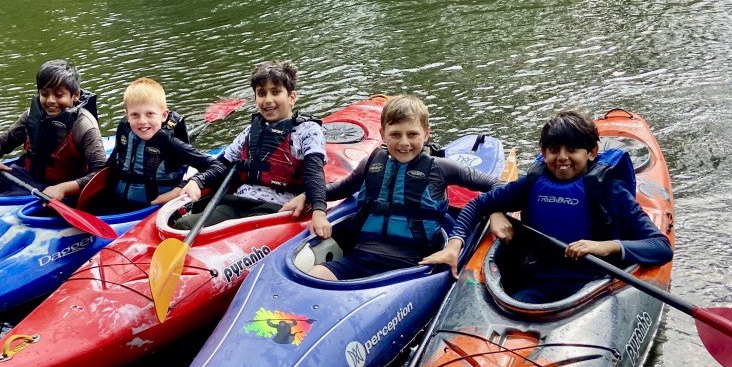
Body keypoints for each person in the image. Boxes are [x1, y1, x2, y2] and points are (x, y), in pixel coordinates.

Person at [437, 108, 673, 304]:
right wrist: (467, 235)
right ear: (543, 152)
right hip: (540, 283)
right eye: (553, 150)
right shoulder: (533, 184)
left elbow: (660, 247)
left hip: (595, 285)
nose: (562, 157)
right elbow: (476, 204)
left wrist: (607, 247)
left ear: (591, 153)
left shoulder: (610, 191)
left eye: (572, 150)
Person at [285, 94, 502, 279]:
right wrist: (309, 197)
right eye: (395, 135)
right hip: (358, 261)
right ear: (382, 134)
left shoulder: (441, 169)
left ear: (426, 133)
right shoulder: (372, 163)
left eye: (412, 134)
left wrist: (496, 212)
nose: (404, 143)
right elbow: (341, 188)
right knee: (314, 276)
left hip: (412, 269)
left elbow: (496, 185)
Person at [177, 60, 331, 239]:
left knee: (236, 241)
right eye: (261, 93)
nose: (268, 100)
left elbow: (314, 172)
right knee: (183, 225)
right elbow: (222, 165)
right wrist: (198, 181)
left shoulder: (308, 130)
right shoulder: (250, 132)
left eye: (276, 92)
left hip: (276, 212)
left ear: (292, 97)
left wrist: (319, 210)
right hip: (237, 204)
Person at [0, 59, 105, 200]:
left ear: (75, 95)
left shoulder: (84, 125)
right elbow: (2, 142)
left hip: (56, 188)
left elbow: (100, 174)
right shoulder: (32, 115)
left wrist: (63, 189)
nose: (50, 101)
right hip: (24, 176)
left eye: (59, 95)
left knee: (4, 199)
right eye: (44, 94)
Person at [77, 77, 216, 212]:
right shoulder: (124, 131)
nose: (142, 121)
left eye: (150, 114)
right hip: (118, 203)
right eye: (135, 115)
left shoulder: (171, 143)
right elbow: (112, 164)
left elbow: (215, 166)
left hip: (152, 208)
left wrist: (185, 186)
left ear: (163, 115)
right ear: (127, 116)